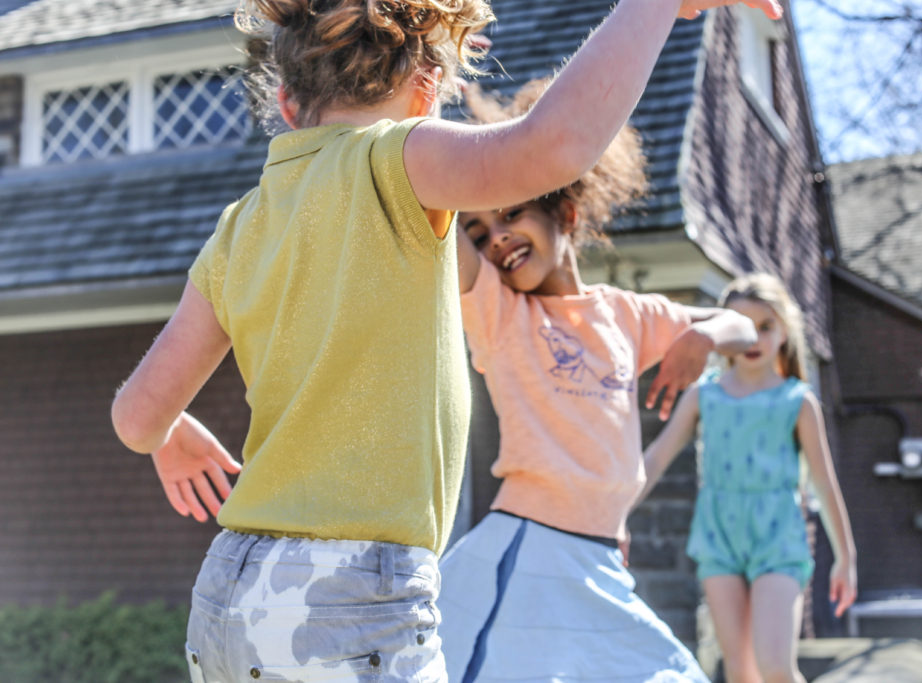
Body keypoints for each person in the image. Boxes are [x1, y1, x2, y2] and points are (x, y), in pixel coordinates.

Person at [110, 0, 781, 680]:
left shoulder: (239, 224)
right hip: (350, 600)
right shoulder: (396, 160)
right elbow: (552, 147)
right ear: (426, 94)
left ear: (286, 102)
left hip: (228, 594)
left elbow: (136, 416)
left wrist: (169, 435)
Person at [435, 77, 760, 682]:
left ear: (565, 210)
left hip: (599, 556)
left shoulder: (629, 315)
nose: (497, 237)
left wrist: (704, 336)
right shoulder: (501, 315)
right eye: (480, 232)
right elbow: (434, 225)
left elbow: (743, 325)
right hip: (527, 546)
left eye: (510, 213)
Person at [642, 273, 858, 683]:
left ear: (784, 331)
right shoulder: (703, 395)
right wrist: (611, 513)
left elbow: (824, 483)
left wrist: (846, 557)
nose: (754, 338)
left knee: (774, 666)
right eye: (743, 326)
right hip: (719, 536)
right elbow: (655, 458)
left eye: (765, 326)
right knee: (740, 674)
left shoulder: (797, 400)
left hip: (777, 539)